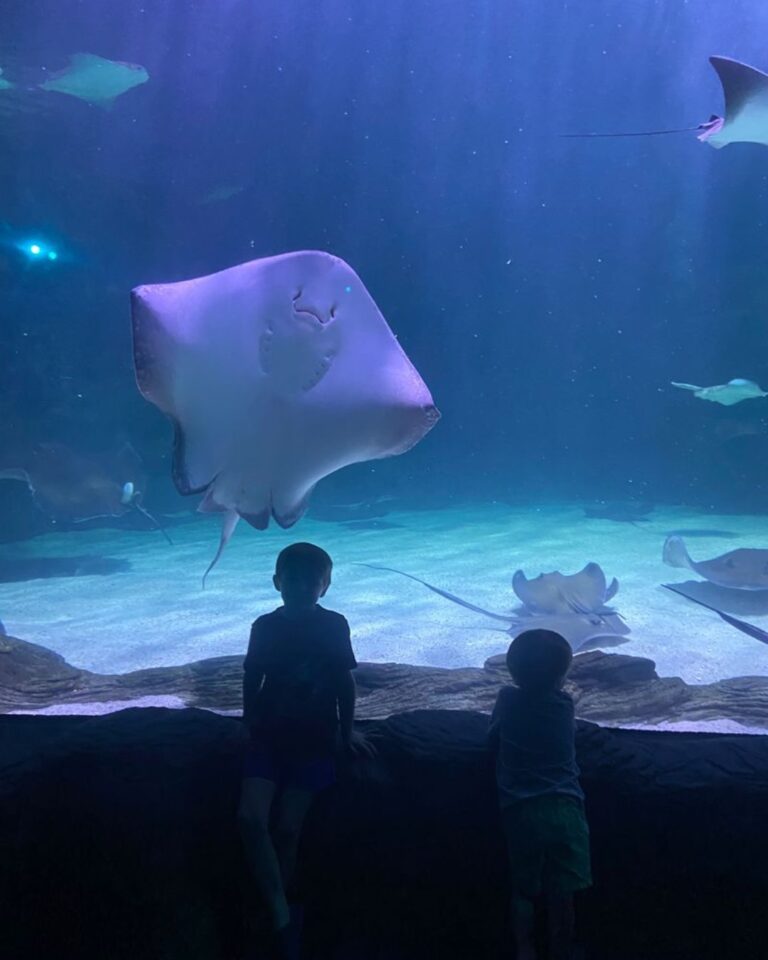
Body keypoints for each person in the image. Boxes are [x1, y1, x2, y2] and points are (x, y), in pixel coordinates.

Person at [237, 542, 375, 959]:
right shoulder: (264, 625)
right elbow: (252, 676)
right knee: (249, 818)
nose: (300, 588)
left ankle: (281, 909)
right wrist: (246, 721)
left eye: (310, 581)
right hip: (268, 733)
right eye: (291, 580)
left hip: (315, 736)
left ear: (325, 586)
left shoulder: (334, 625)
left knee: (288, 829)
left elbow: (343, 681)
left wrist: (347, 731)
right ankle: (281, 910)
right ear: (277, 583)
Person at [488, 629, 591, 960]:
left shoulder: (507, 699)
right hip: (566, 809)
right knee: (563, 891)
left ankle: (524, 948)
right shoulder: (565, 704)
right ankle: (563, 946)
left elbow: (493, 738)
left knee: (523, 888)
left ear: (513, 672)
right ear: (563, 677)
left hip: (520, 809)